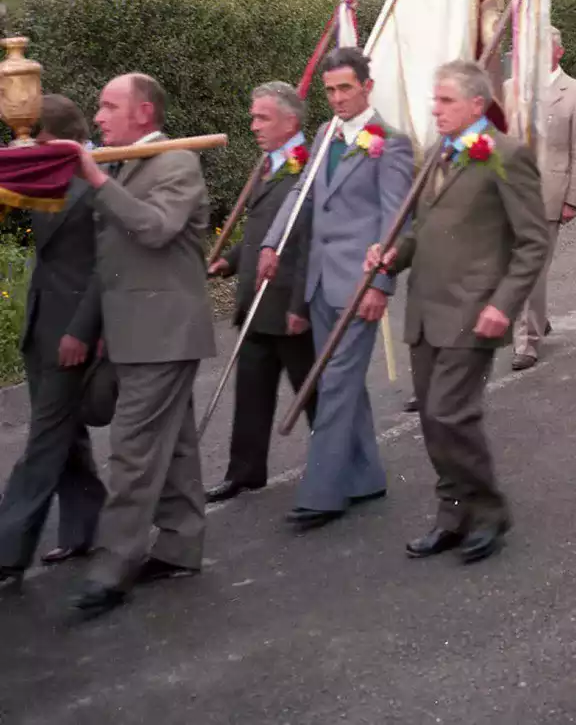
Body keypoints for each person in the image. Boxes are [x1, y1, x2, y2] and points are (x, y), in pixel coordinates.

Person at [368, 61, 549, 564]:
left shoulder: (506, 156)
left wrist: (503, 305)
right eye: (435, 99)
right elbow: (422, 230)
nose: (435, 108)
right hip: (426, 308)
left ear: (476, 105)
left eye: (446, 100)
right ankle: (452, 513)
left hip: (474, 309)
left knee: (451, 412)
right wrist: (392, 255)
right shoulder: (436, 155)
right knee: (432, 417)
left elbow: (534, 242)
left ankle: (489, 510)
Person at [69, 74, 216, 617]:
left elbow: (154, 229)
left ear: (145, 113)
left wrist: (99, 183)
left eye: (109, 106)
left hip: (163, 333)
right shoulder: (123, 162)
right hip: (138, 330)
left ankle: (112, 566)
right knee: (171, 445)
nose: (99, 117)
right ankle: (179, 544)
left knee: (132, 452)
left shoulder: (177, 162)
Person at [260, 47, 414, 532]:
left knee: (334, 383)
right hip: (321, 279)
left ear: (367, 87)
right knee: (343, 384)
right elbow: (303, 195)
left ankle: (321, 492)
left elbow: (396, 219)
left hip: (359, 283)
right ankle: (366, 476)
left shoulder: (390, 143)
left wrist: (381, 283)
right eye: (329, 90)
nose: (338, 98)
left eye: (346, 88)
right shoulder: (326, 135)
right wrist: (272, 243)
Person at [0, 97, 106, 589]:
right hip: (41, 323)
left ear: (60, 139)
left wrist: (83, 332)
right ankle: (85, 525)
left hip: (72, 332)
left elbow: (106, 268)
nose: (32, 152)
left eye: (38, 143)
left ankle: (7, 550)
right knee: (66, 435)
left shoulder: (100, 179)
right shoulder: (47, 172)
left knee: (44, 438)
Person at [205, 82, 316, 504]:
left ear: (290, 121)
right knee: (250, 394)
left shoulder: (307, 167)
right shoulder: (269, 164)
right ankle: (245, 472)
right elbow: (262, 233)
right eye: (253, 117)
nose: (253, 126)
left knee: (314, 396)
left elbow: (305, 240)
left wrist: (300, 303)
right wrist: (231, 261)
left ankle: (336, 467)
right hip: (255, 302)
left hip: (289, 304)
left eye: (262, 117)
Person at [508, 28, 576, 371]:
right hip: (511, 195)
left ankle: (527, 341)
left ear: (559, 52)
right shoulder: (511, 90)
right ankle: (536, 318)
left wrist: (573, 197)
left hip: (549, 195)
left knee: (532, 270)